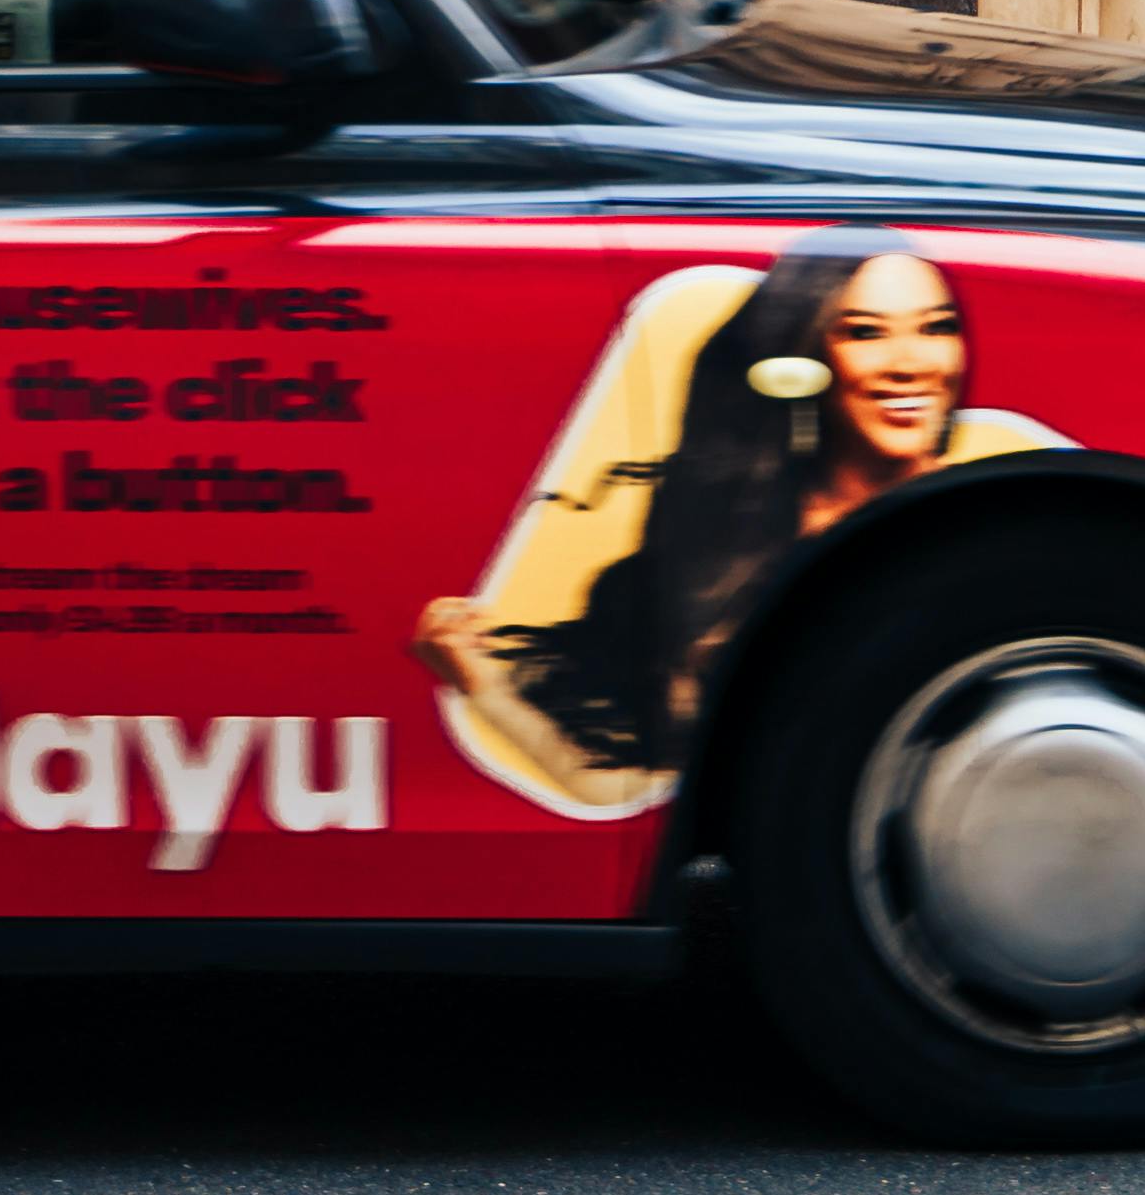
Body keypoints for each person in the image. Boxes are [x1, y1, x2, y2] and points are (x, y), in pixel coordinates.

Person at [413, 231, 1054, 809]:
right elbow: (629, 783)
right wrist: (488, 688)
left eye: (936, 327)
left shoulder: (996, 516)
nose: (912, 362)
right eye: (864, 331)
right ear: (804, 354)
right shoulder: (729, 543)